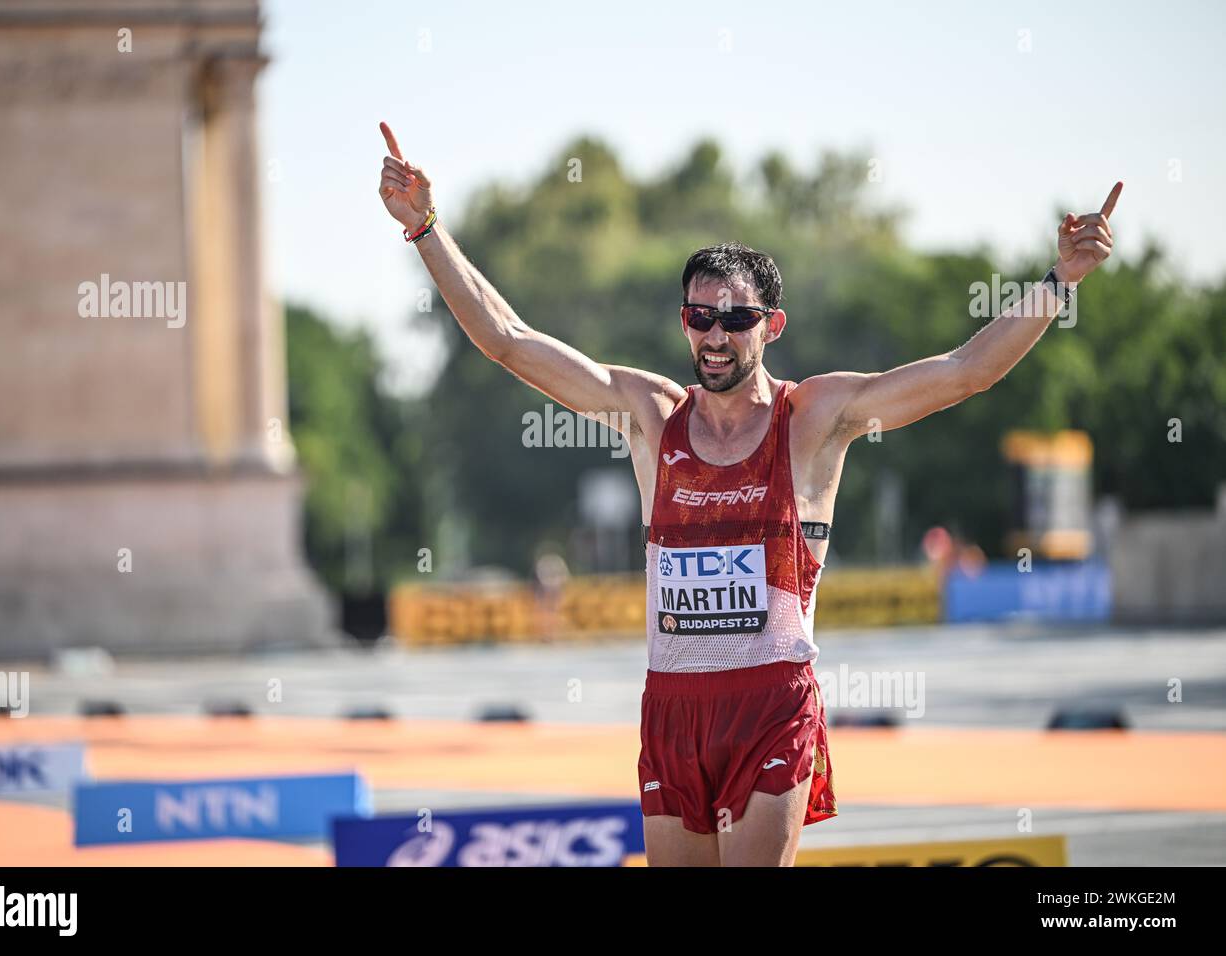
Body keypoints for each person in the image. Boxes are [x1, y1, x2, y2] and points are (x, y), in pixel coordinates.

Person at [377, 121, 1120, 866]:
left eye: (737, 319)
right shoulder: (649, 416)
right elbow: (507, 340)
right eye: (701, 317)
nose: (716, 336)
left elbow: (966, 371)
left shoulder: (815, 419)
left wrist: (1059, 282)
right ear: (683, 322)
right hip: (673, 710)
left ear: (773, 326)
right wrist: (427, 229)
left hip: (771, 705)